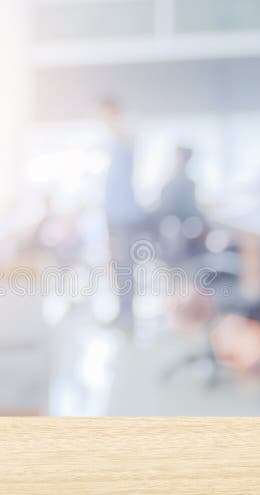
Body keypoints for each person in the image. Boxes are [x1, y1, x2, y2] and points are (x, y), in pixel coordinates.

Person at [99, 97, 144, 326]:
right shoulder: (113, 144)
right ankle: (123, 312)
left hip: (124, 218)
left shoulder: (125, 139)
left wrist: (118, 122)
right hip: (115, 217)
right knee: (119, 267)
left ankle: (127, 315)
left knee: (125, 266)